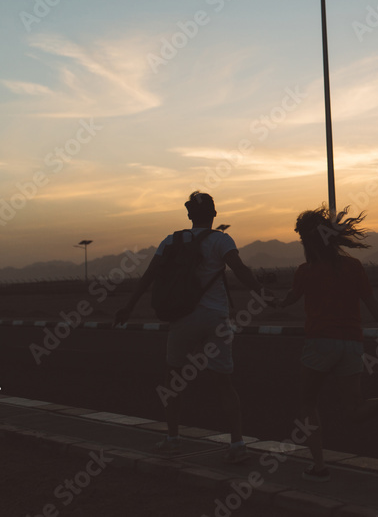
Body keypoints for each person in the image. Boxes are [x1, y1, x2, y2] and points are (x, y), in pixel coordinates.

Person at [114, 191, 266, 463]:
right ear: (214, 214)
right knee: (224, 383)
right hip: (216, 318)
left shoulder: (171, 240)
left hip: (182, 317)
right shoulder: (221, 239)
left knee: (172, 380)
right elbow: (240, 270)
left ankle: (173, 439)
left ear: (188, 215)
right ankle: (237, 444)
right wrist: (263, 293)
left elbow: (149, 275)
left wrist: (128, 306)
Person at [275, 205, 378, 482]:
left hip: (320, 344)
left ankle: (319, 466)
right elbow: (371, 302)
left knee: (307, 402)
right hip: (352, 344)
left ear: (307, 241)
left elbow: (291, 298)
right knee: (353, 409)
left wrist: (276, 302)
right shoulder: (353, 266)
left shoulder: (305, 271)